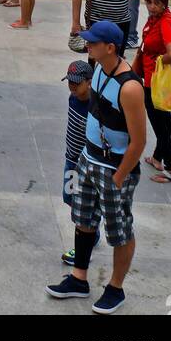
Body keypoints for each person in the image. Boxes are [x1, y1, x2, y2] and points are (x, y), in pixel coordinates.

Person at [46, 20, 146, 314]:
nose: (87, 44)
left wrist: (119, 177)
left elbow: (139, 141)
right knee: (83, 218)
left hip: (113, 166)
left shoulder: (130, 88)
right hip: (88, 159)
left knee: (119, 230)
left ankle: (116, 287)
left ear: (110, 47)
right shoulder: (99, 70)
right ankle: (79, 278)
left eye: (93, 41)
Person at [132, 0, 171, 184]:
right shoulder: (156, 19)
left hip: (156, 83)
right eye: (149, 2)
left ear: (164, 3)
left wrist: (161, 61)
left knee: (161, 127)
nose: (152, 6)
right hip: (152, 80)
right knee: (164, 123)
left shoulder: (165, 23)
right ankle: (157, 158)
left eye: (157, 2)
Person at [59, 61, 99, 267]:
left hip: (84, 164)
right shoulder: (73, 98)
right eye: (70, 83)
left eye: (77, 83)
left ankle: (85, 245)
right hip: (70, 159)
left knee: (81, 206)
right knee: (68, 197)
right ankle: (93, 231)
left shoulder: (94, 106)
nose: (73, 87)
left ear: (90, 83)